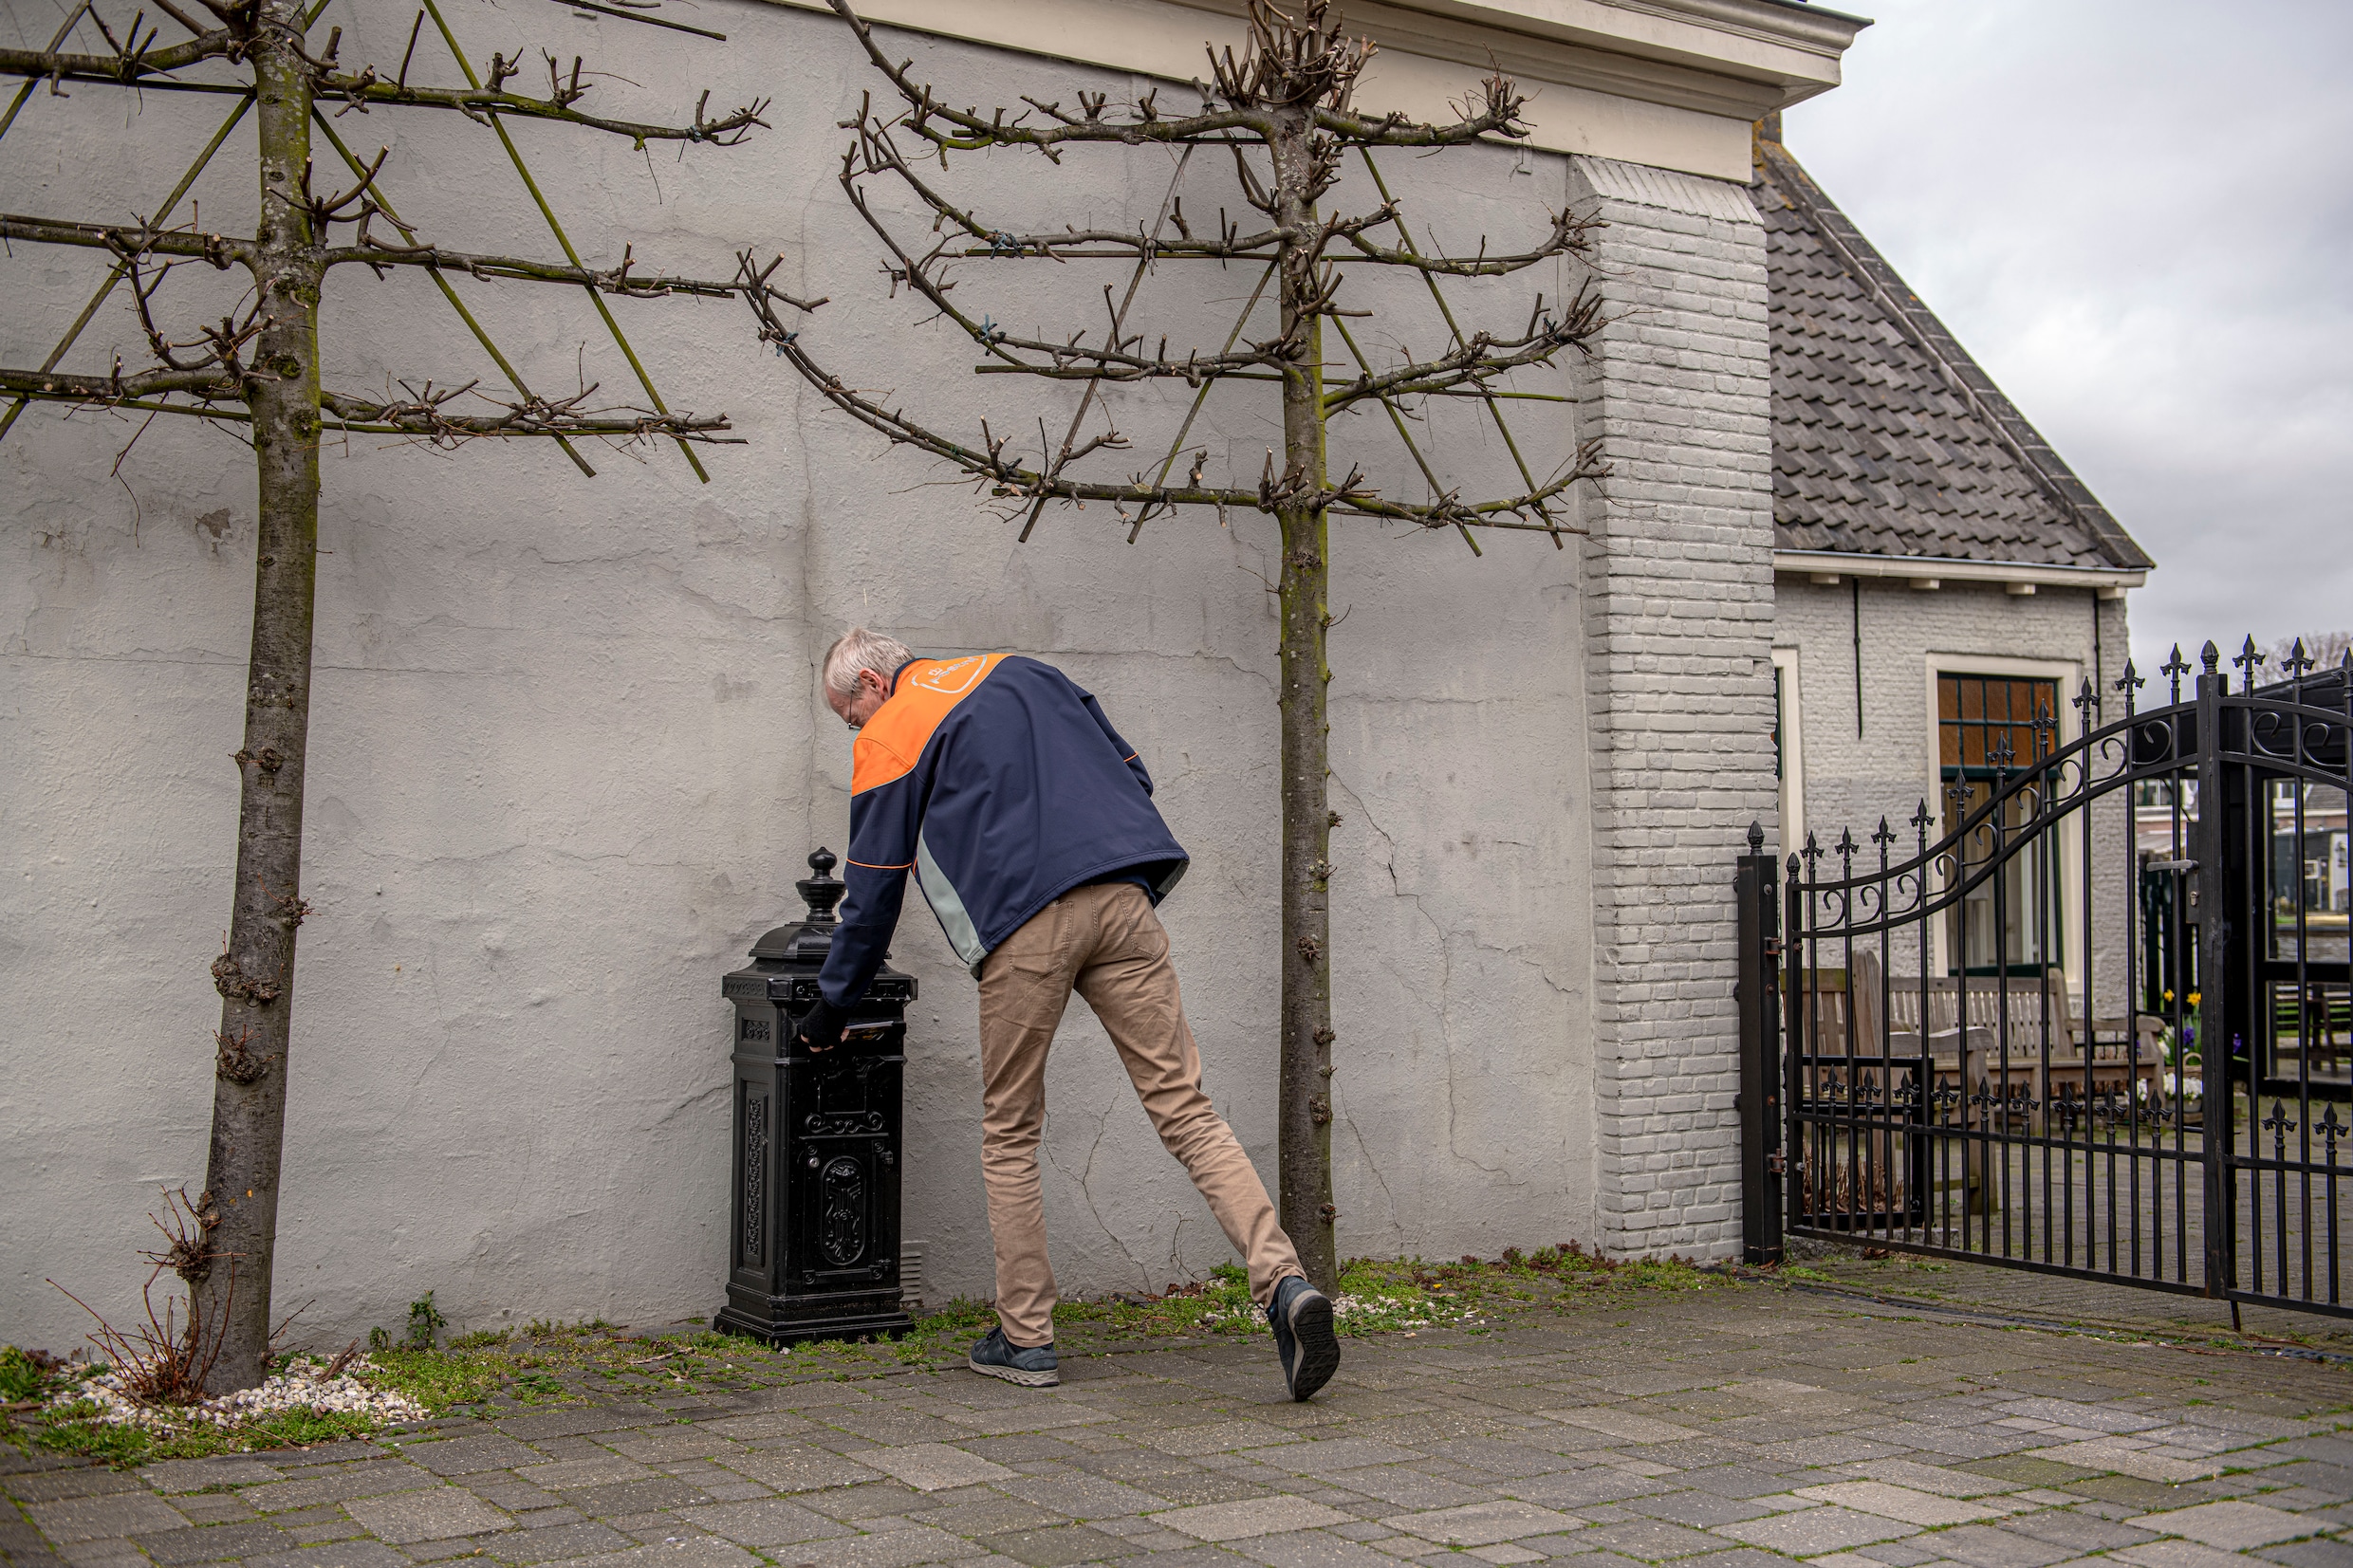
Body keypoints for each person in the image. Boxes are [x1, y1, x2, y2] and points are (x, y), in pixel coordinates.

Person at [795, 627, 1341, 1400]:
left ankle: (1026, 1337)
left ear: (872, 687)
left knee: (1010, 1128)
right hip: (1122, 898)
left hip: (1025, 925)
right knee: (1186, 1108)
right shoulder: (1025, 671)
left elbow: (877, 882)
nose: (854, 728)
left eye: (847, 714)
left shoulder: (895, 727)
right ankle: (1284, 1282)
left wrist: (831, 1007)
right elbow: (1134, 773)